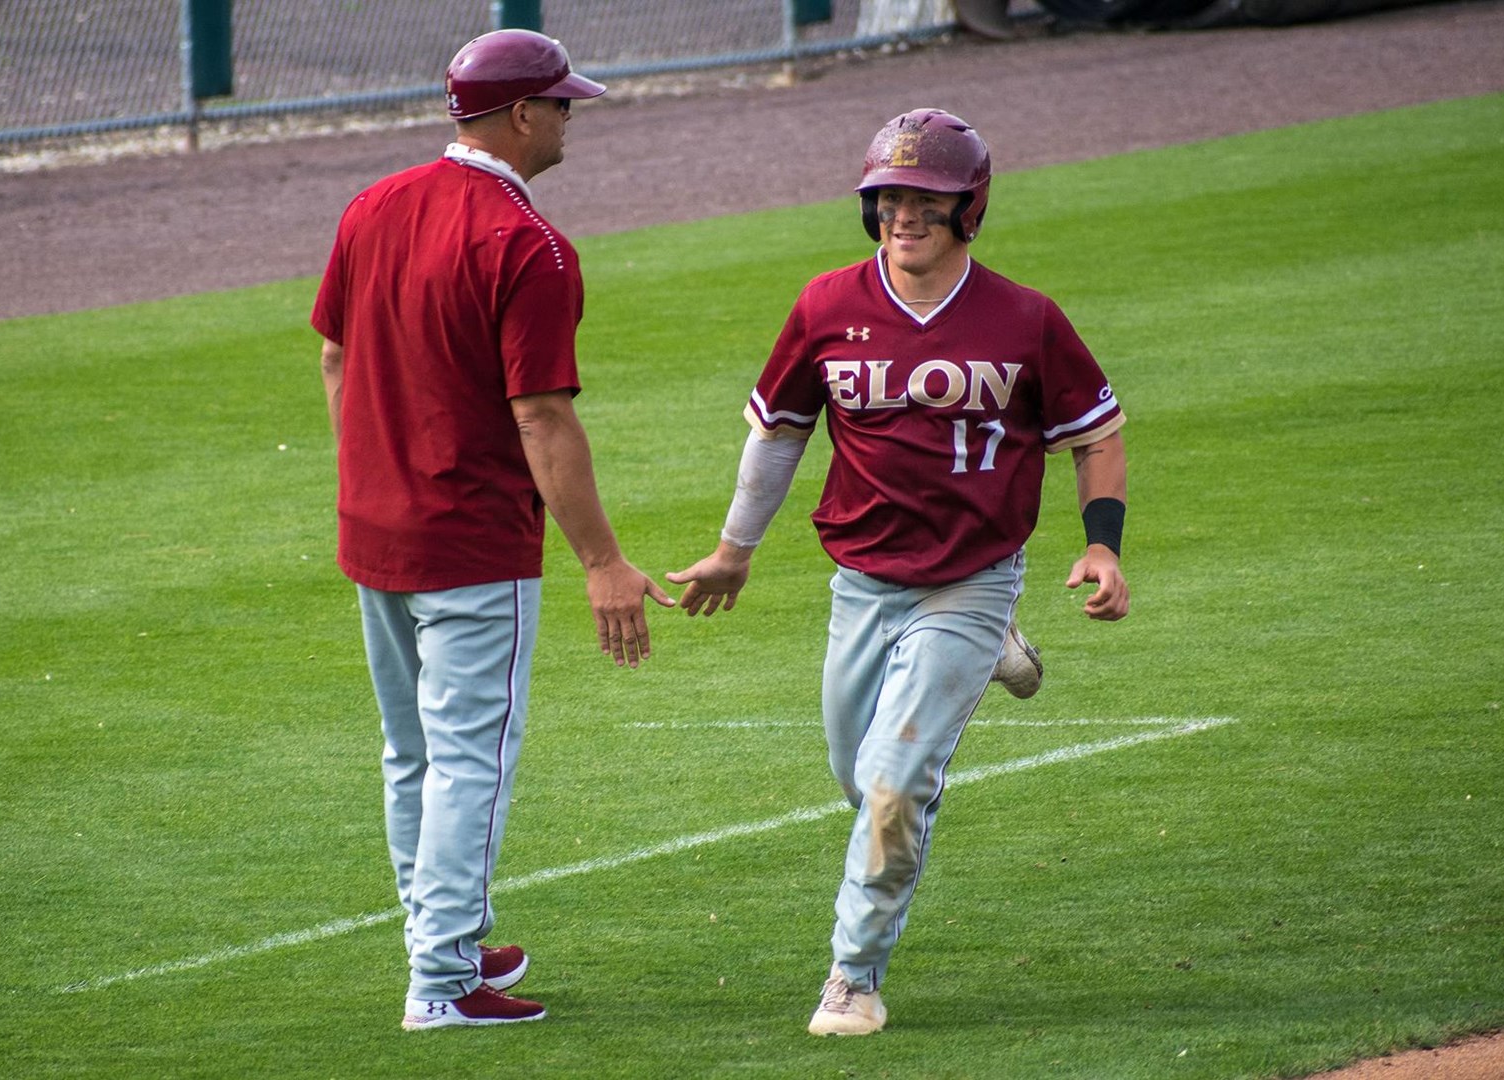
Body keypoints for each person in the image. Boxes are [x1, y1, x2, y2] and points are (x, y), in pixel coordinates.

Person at [666, 108, 1131, 1036]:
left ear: (970, 208)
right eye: (887, 198)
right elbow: (779, 435)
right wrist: (734, 550)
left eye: (926, 200)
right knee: (858, 779)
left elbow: (1096, 433)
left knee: (892, 786)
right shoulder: (825, 306)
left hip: (970, 579)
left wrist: (1102, 544)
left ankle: (854, 976)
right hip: (863, 586)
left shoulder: (1025, 318)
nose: (903, 216)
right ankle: (989, 657)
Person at [311, 28, 672, 1031]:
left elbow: (336, 357)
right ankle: (441, 983)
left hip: (375, 529)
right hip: (471, 543)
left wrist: (374, 472)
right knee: (471, 757)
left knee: (412, 754)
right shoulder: (528, 245)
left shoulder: (374, 204)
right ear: (520, 115)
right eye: (560, 104)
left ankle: (447, 938)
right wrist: (602, 560)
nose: (568, 120)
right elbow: (541, 416)